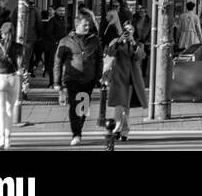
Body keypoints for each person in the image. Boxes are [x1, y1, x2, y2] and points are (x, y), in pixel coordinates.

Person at [54, 14, 103, 146]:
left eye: (89, 25)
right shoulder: (66, 41)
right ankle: (76, 134)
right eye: (84, 25)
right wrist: (57, 82)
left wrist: (98, 76)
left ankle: (79, 127)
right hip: (72, 78)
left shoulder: (94, 40)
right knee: (74, 106)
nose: (88, 27)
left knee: (83, 107)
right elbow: (58, 62)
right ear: (77, 26)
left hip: (89, 79)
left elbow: (99, 59)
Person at [102, 21, 147, 140]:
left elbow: (141, 56)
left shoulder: (137, 43)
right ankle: (119, 130)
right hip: (118, 77)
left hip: (131, 79)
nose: (128, 32)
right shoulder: (116, 42)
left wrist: (133, 42)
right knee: (119, 105)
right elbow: (110, 53)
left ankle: (122, 131)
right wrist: (119, 41)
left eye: (131, 30)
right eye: (126, 29)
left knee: (125, 106)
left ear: (134, 32)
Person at [0, 23, 23, 150]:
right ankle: (8, 139)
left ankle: (1, 138)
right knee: (9, 110)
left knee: (0, 111)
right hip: (13, 78)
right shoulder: (19, 47)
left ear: (2, 33)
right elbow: (21, 65)